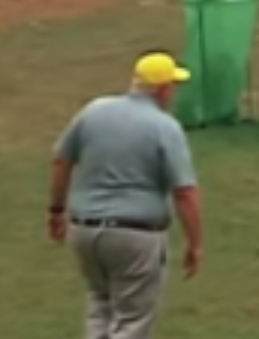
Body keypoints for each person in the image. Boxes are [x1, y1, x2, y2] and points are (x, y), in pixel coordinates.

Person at [49, 51, 204, 339]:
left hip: (85, 230)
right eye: (172, 86)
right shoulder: (164, 126)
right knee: (132, 321)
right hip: (135, 236)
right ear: (162, 89)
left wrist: (56, 210)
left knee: (100, 308)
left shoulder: (94, 111)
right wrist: (195, 244)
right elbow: (184, 192)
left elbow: (61, 160)